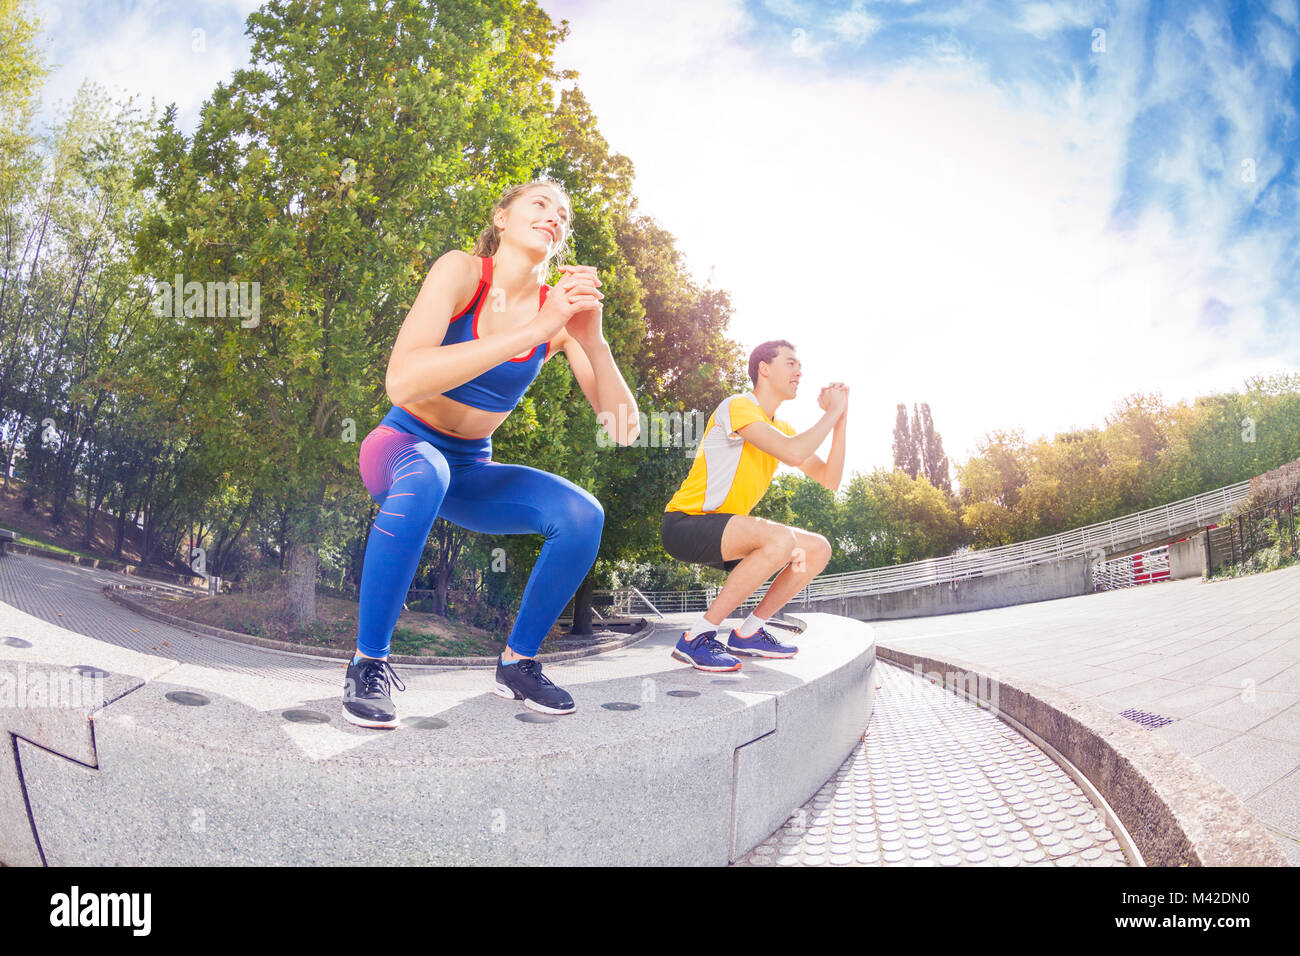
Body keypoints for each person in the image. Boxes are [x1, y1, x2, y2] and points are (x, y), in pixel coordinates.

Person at [345, 179, 640, 726]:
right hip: (401, 447)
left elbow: (623, 430)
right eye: (540, 203)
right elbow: (402, 381)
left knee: (582, 515)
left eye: (564, 214)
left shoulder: (560, 316)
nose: (555, 216)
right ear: (502, 218)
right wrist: (535, 328)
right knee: (428, 472)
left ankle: (519, 662)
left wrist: (591, 340)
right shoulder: (462, 271)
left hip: (469, 470)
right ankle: (368, 664)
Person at [661, 340, 848, 670]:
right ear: (764, 368)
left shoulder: (782, 428)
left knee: (816, 549)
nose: (799, 371)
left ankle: (749, 632)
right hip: (685, 525)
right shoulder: (738, 406)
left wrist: (841, 417)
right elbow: (791, 452)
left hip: (728, 532)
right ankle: (697, 638)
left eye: (799, 365)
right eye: (790, 363)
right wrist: (831, 411)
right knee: (780, 538)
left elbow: (829, 479)